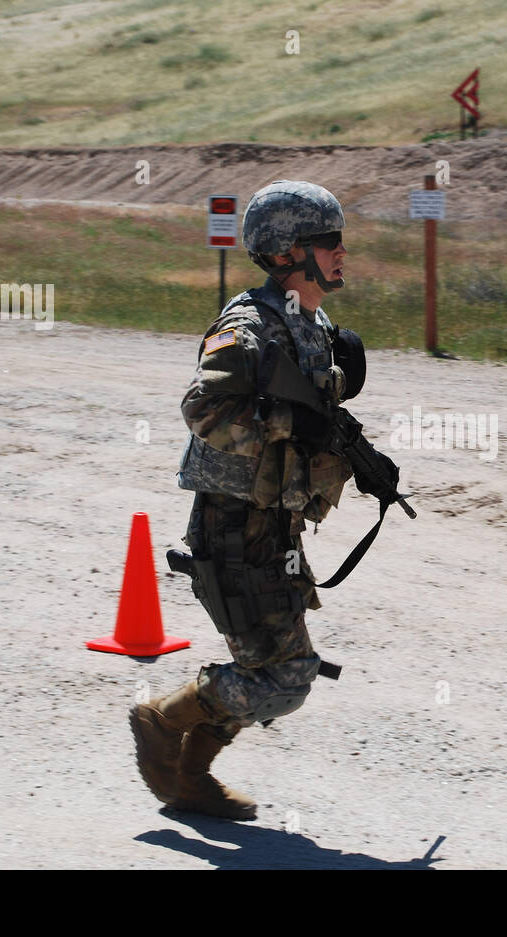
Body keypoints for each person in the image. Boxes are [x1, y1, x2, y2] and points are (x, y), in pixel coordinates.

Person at [130, 180, 373, 820]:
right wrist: (292, 426)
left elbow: (300, 404)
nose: (344, 252)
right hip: (235, 524)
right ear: (289, 252)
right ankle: (163, 722)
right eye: (330, 242)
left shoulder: (307, 323)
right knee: (285, 677)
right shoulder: (249, 325)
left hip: (275, 523)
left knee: (276, 666)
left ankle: (189, 779)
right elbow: (202, 409)